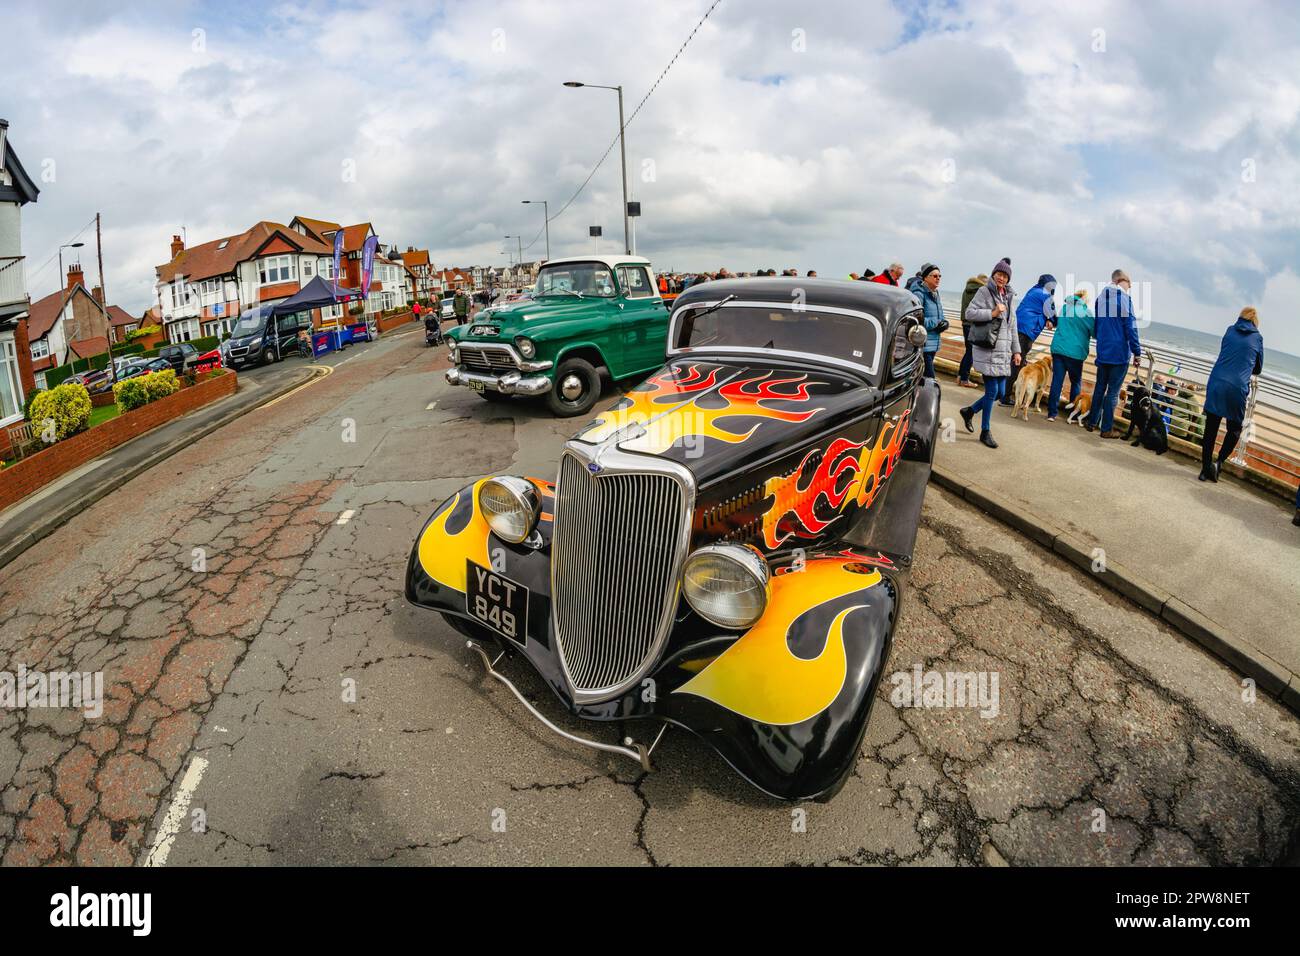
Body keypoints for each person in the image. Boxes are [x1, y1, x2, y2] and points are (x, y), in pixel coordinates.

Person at [958, 259, 1020, 448]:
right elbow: (969, 313)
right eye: (999, 274)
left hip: (1002, 352)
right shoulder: (984, 291)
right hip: (987, 349)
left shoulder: (1008, 296)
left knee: (1001, 393)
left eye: (1005, 275)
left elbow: (1012, 326)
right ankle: (985, 431)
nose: (1001, 278)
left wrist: (1016, 351)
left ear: (1008, 278)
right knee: (992, 391)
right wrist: (992, 313)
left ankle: (970, 411)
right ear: (994, 275)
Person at [1199, 308, 1264, 482]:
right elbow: (1258, 369)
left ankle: (1205, 470)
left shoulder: (1229, 330)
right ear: (1255, 322)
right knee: (1234, 430)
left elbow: (1226, 352)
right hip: (1237, 388)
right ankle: (1219, 463)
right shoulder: (1257, 338)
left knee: (1211, 429)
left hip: (1217, 382)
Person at [1084, 269, 1141, 437]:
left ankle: (1091, 422)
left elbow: (1098, 324)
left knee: (1100, 388)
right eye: (1129, 286)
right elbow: (1131, 327)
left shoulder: (1100, 299)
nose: (1129, 289)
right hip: (1118, 354)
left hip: (1103, 351)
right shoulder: (1125, 299)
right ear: (1123, 281)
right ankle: (1106, 429)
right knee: (1113, 392)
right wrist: (1137, 352)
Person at [1007, 274, 1057, 401]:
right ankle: (1004, 396)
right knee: (1016, 363)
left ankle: (1002, 392)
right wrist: (1052, 321)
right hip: (1026, 331)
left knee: (1015, 360)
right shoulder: (1046, 295)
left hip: (1017, 327)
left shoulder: (1034, 290)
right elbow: (1053, 316)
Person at [1046, 288, 1094, 421]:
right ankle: (1072, 413)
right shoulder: (1086, 313)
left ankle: (1052, 413)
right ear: (1084, 299)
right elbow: (1094, 332)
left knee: (1057, 381)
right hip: (1075, 353)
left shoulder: (1064, 309)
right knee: (1076, 382)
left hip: (1058, 349)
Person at [904, 264, 944, 379]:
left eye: (939, 276)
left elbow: (939, 315)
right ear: (925, 277)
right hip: (923, 344)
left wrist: (944, 323)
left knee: (922, 379)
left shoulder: (936, 293)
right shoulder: (919, 294)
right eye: (935, 276)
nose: (938, 278)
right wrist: (936, 323)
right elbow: (915, 320)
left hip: (933, 343)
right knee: (930, 379)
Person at [957, 273, 988, 388]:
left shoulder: (968, 289)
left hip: (965, 323)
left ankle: (960, 376)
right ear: (982, 282)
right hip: (973, 324)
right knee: (971, 352)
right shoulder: (979, 291)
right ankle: (964, 379)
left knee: (968, 351)